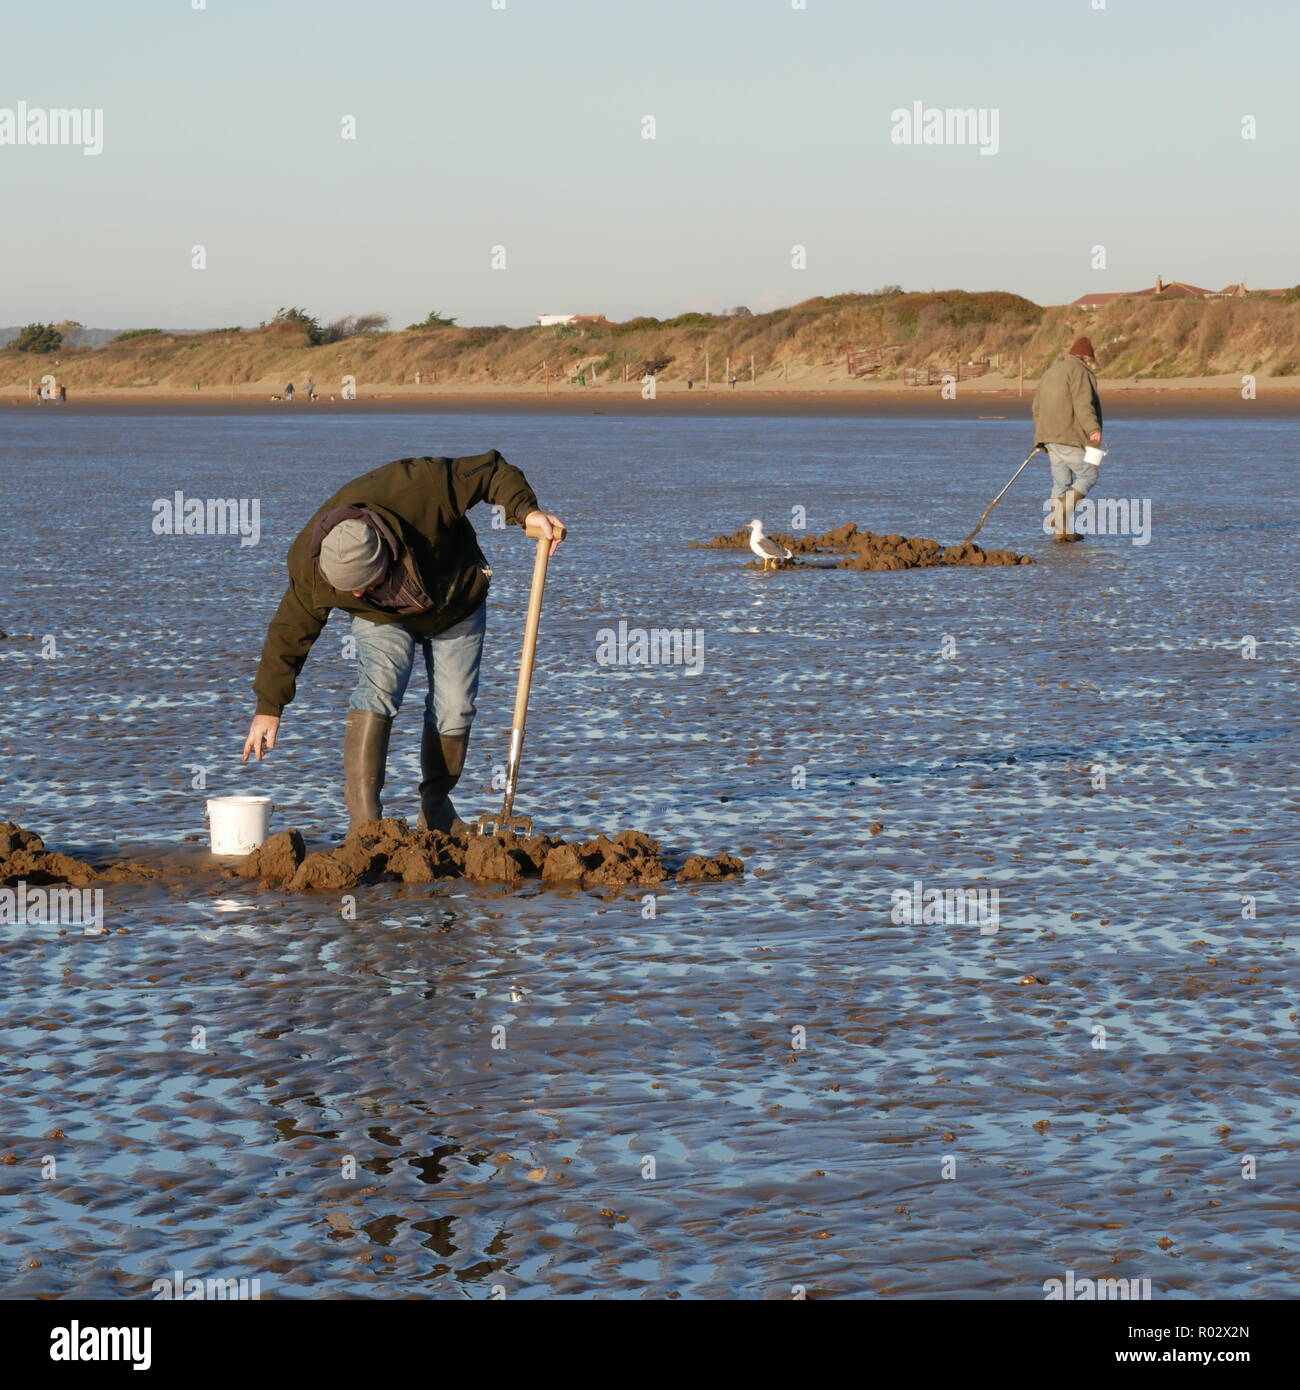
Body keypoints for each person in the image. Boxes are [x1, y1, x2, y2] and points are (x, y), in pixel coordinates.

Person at [241, 450, 565, 833]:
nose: (356, 595)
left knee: (456, 707)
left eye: (365, 585)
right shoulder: (311, 567)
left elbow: (491, 471)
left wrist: (525, 511)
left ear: (384, 554)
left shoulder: (418, 489)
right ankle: (367, 825)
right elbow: (290, 631)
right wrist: (269, 706)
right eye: (350, 591)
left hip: (456, 599)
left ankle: (437, 810)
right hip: (384, 620)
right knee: (379, 690)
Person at [1032, 335, 1104, 543]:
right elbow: (1084, 405)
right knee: (1090, 475)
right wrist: (1093, 430)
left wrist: (1041, 434)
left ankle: (1061, 532)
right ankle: (1059, 513)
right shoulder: (1079, 371)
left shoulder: (1049, 372)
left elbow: (1036, 406)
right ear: (1086, 358)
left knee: (1061, 482)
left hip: (1048, 437)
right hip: (1068, 436)